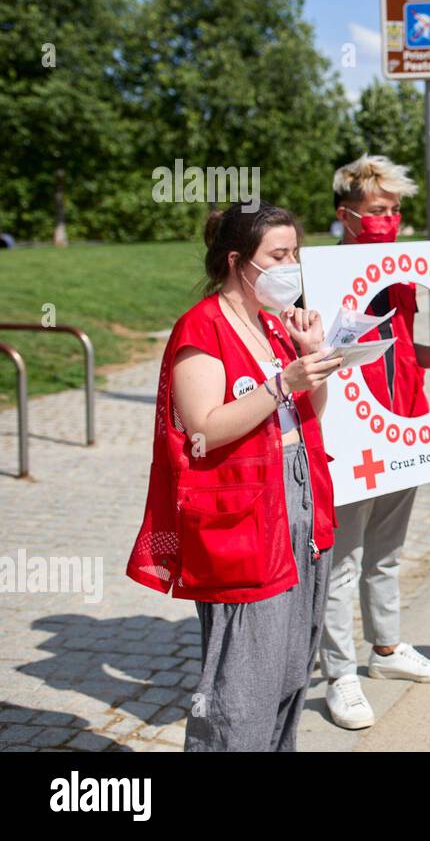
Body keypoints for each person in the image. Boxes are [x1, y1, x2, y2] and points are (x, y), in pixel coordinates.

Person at [126, 202, 344, 751]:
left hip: (298, 495)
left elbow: (309, 408)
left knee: (292, 668)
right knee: (243, 682)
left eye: (294, 252)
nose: (291, 264)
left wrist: (311, 359)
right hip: (243, 515)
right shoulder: (201, 327)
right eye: (279, 254)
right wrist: (281, 384)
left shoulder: (274, 323)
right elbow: (202, 429)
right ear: (236, 260)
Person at [320, 155, 430, 730]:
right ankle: (340, 675)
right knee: (342, 561)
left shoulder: (402, 276)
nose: (390, 219)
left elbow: (406, 351)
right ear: (347, 214)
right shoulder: (321, 280)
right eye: (378, 210)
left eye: (396, 210)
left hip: (407, 427)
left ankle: (387, 650)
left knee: (387, 553)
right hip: (353, 437)